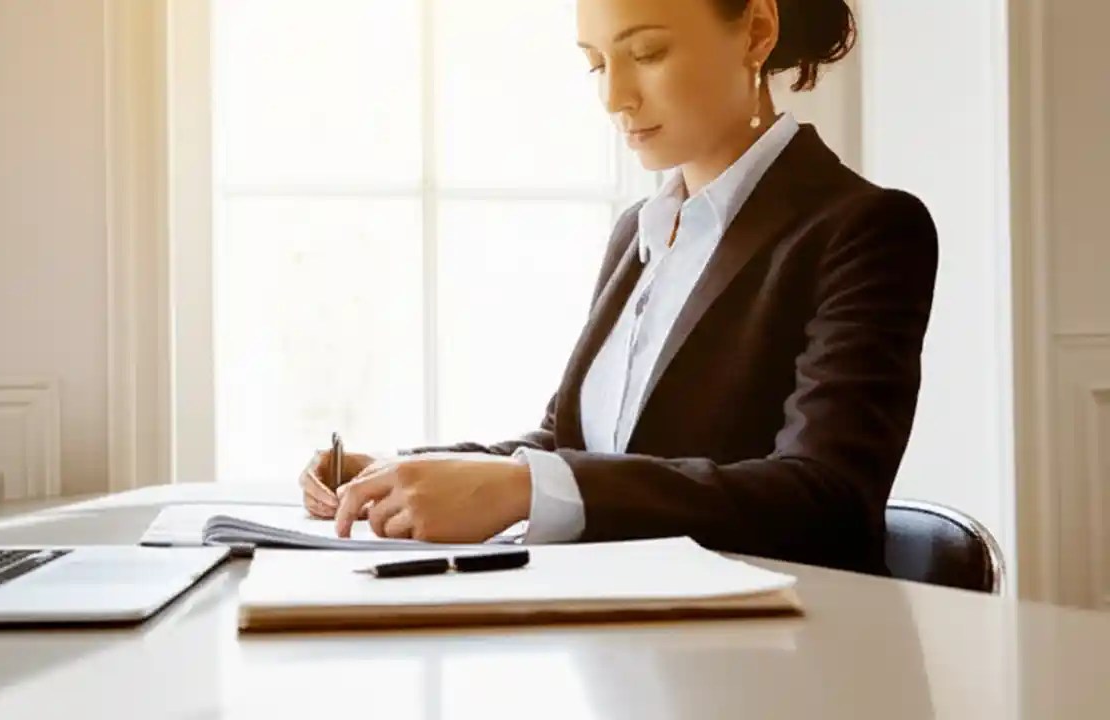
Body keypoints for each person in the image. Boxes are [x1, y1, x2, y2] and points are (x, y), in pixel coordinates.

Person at [297, 0, 938, 576]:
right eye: (596, 63)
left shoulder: (864, 228)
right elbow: (571, 445)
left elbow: (827, 498)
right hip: (620, 639)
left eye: (647, 53)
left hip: (768, 663)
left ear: (757, 31)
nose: (614, 97)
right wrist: (396, 472)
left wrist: (521, 489)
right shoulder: (642, 228)